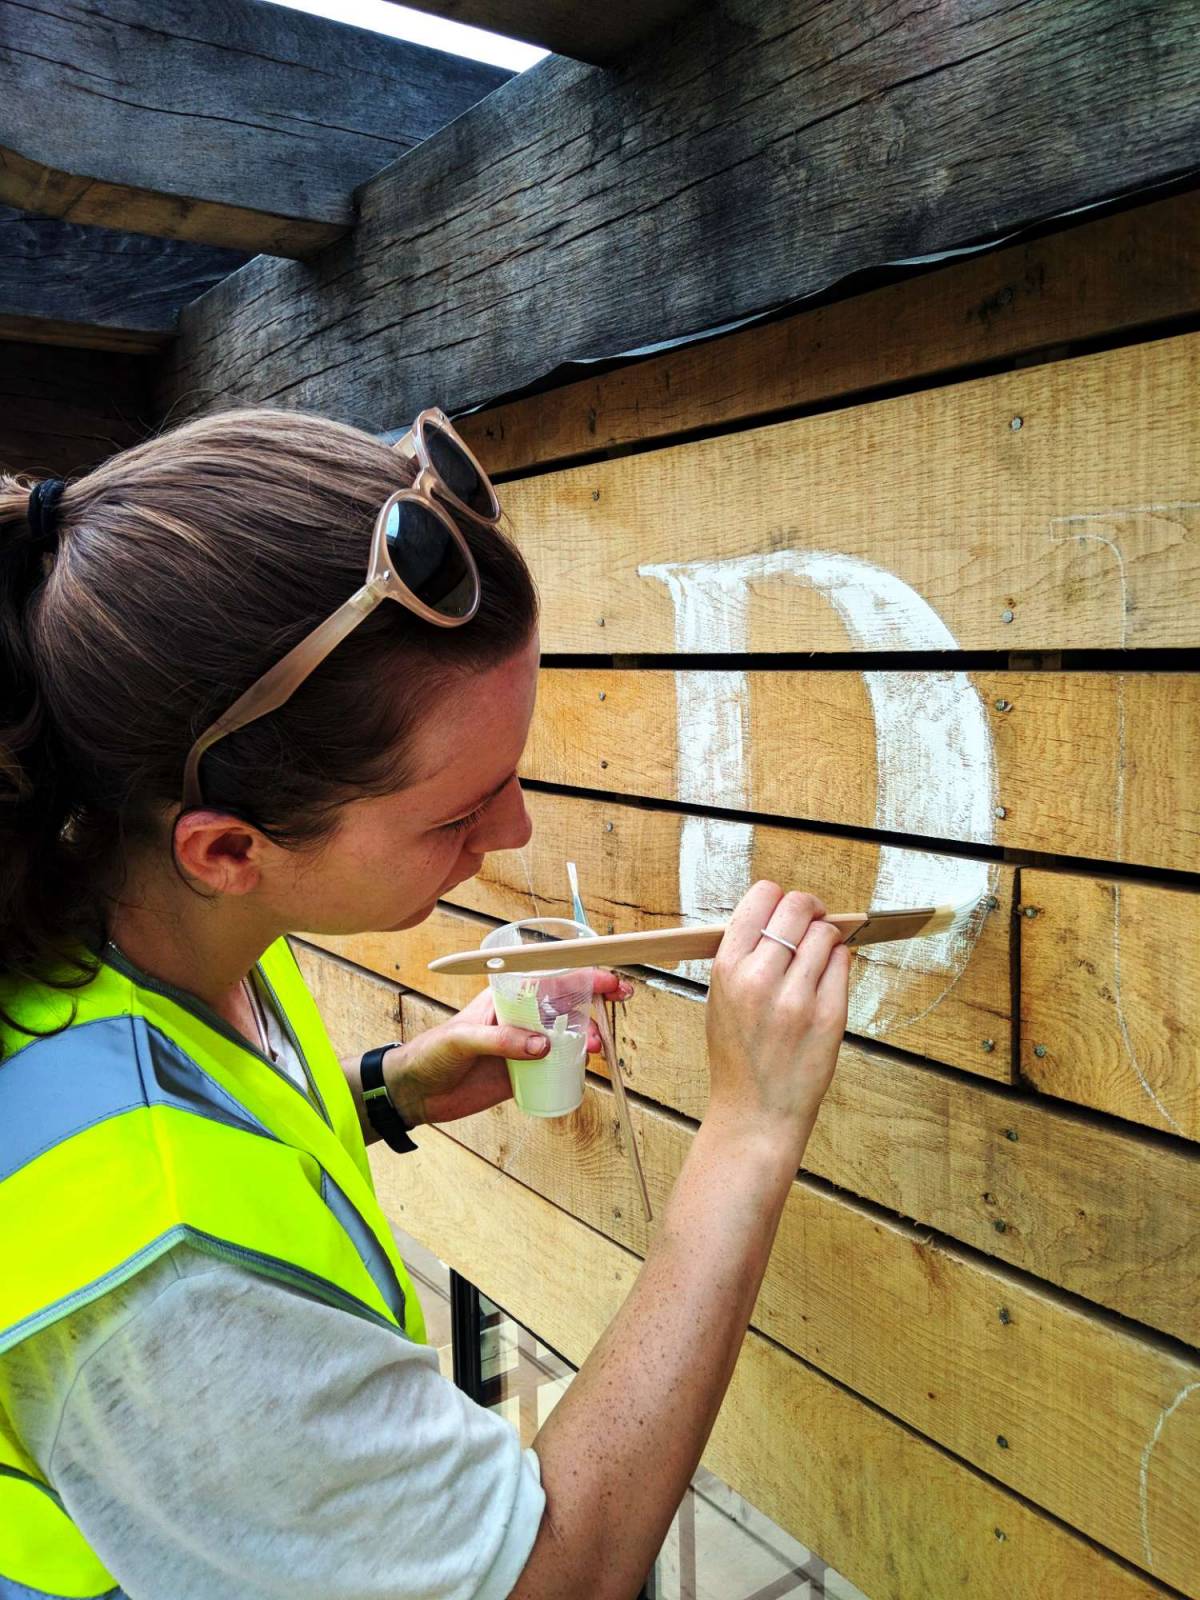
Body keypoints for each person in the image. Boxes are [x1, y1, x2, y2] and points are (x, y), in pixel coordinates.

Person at [0, 407, 852, 1600]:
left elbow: (204, 1121)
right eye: (456, 811)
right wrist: (750, 1130)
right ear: (229, 847)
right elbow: (554, 1577)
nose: (512, 831)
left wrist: (382, 1093)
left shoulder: (135, 918)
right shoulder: (157, 1289)